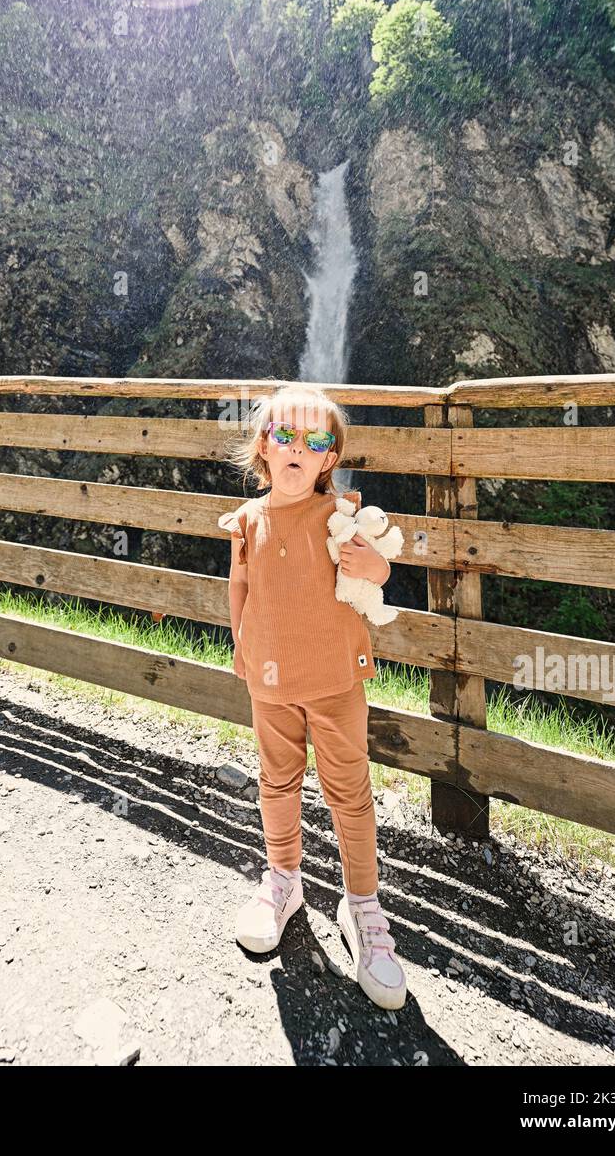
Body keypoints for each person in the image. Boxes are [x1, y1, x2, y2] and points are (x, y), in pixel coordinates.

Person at [217, 383, 407, 1010]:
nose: (298, 448)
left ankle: (363, 909)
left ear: (330, 458)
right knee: (277, 781)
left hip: (335, 679)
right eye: (284, 436)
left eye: (315, 440)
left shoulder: (342, 517)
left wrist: (368, 566)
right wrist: (243, 647)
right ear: (262, 448)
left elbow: (380, 572)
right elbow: (239, 587)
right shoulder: (248, 519)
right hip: (269, 679)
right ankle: (284, 881)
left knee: (349, 790)